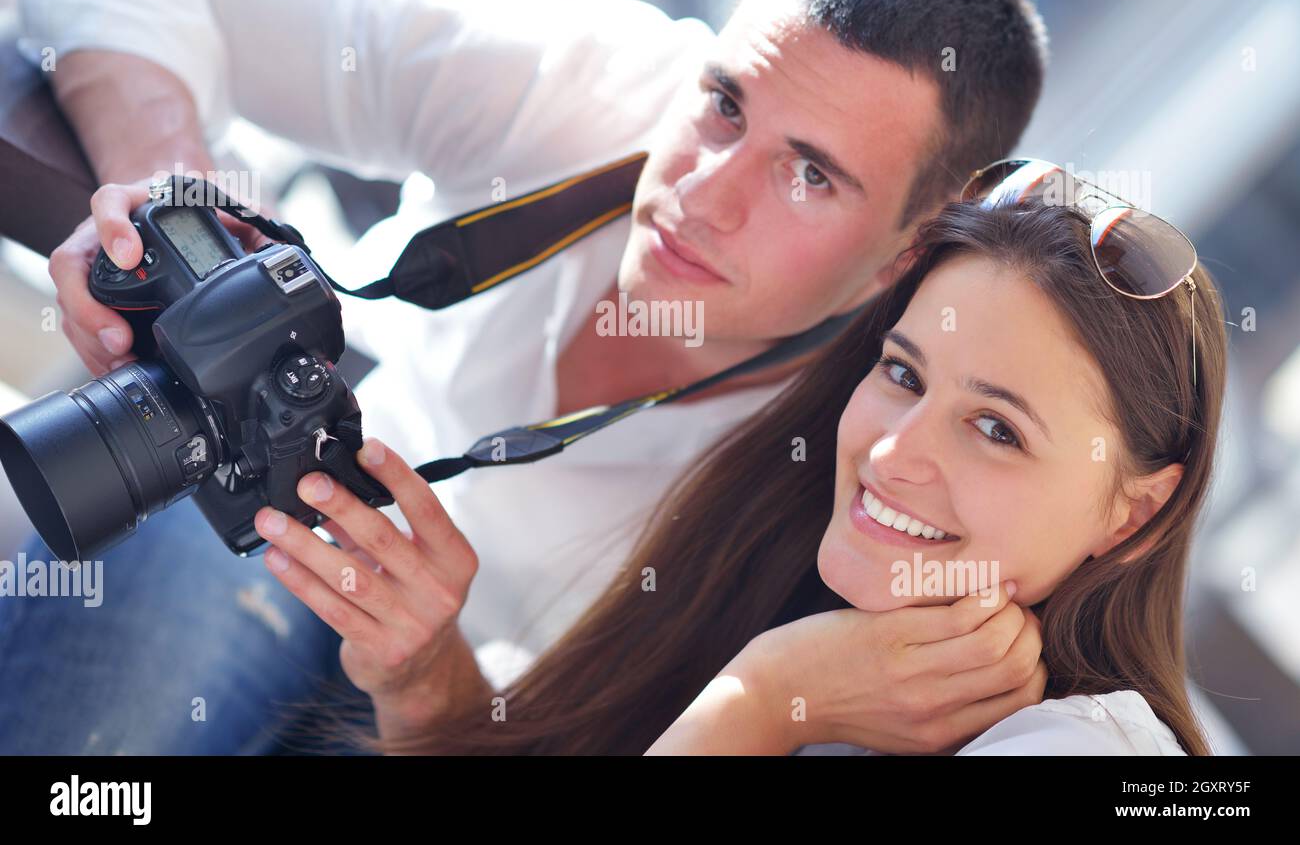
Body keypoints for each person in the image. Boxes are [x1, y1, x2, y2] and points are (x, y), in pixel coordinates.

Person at [0, 0, 1049, 754]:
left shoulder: (875, 461)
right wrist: (176, 213)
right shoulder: (605, 82)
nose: (703, 192)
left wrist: (429, 681)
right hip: (270, 528)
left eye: (809, 175)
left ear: (906, 254)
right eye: (724, 105)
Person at [301, 173, 1222, 755]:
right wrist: (421, 677)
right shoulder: (830, 616)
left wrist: (770, 698)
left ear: (1132, 513)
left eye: (997, 429)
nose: (893, 451)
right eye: (903, 374)